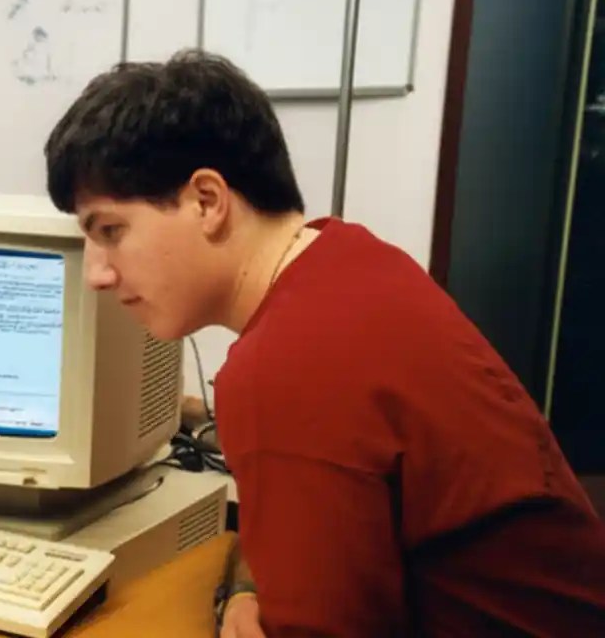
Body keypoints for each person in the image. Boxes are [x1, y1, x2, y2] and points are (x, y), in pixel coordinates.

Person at [43, 50, 605, 636]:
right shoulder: (347, 258)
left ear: (207, 201)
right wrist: (246, 588)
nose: (97, 274)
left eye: (111, 231)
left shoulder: (285, 367)